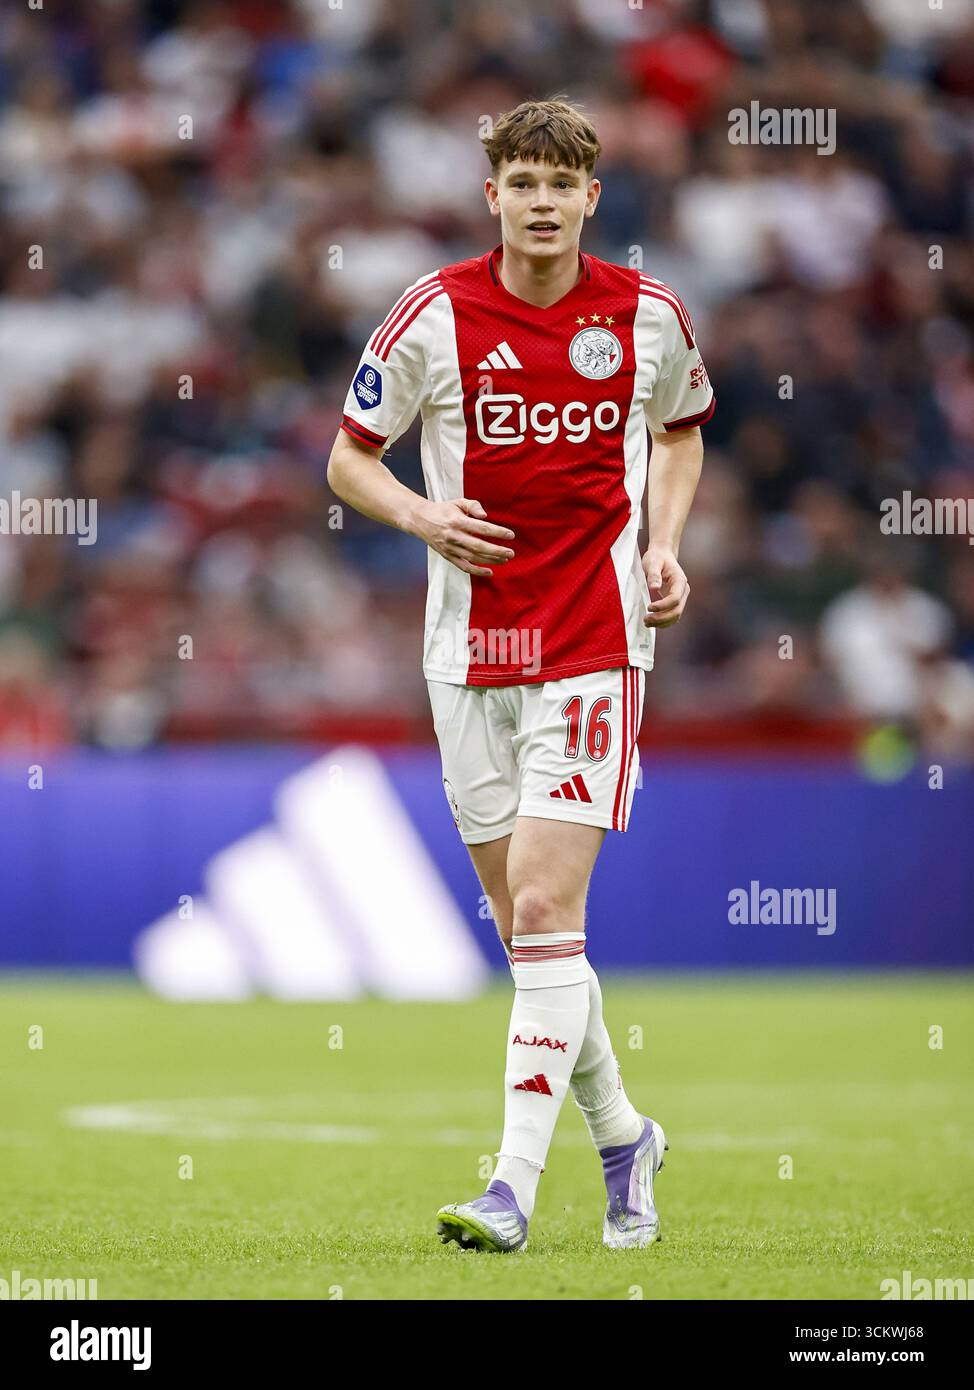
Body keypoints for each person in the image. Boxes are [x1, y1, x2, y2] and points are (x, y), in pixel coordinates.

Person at [327, 97, 713, 1252]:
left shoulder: (646, 317)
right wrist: (420, 515)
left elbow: (681, 428)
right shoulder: (433, 314)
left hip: (594, 641)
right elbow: (349, 459)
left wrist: (663, 543)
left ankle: (508, 1186)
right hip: (471, 650)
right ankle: (623, 1132)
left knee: (547, 907)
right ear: (490, 195)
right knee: (527, 934)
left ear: (592, 199)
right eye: (522, 183)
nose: (542, 204)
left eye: (563, 185)